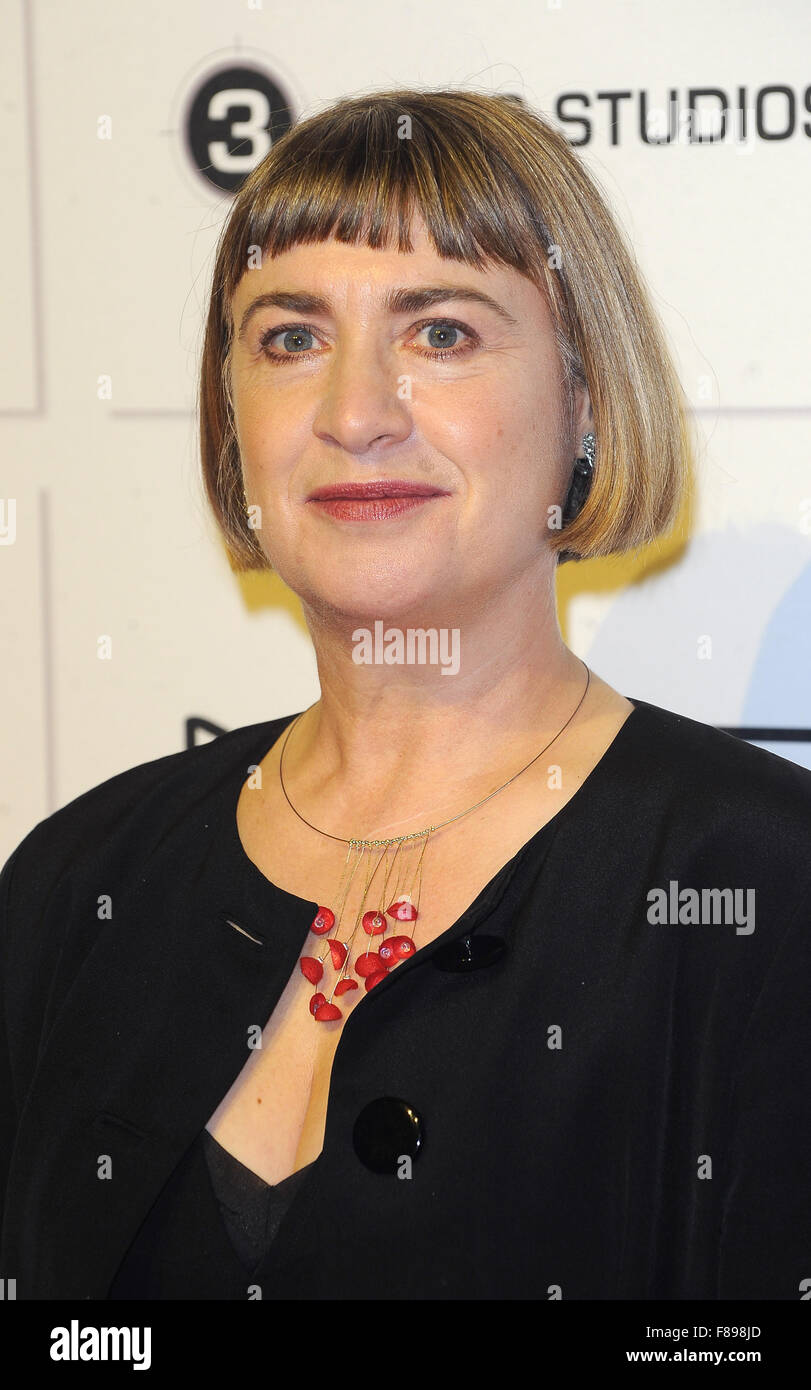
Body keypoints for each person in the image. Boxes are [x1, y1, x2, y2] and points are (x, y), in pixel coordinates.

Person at [1, 87, 809, 1302]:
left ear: (584, 405)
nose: (355, 413)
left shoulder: (765, 887)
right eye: (290, 337)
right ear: (234, 421)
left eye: (440, 333)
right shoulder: (78, 883)